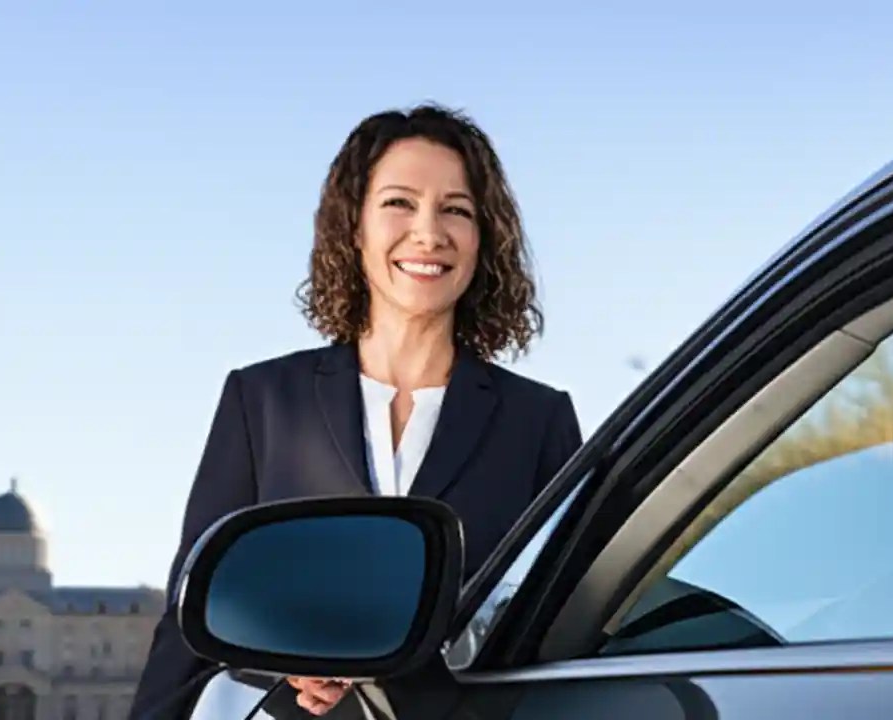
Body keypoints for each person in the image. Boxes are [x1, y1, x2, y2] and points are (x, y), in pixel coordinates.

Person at [129, 104, 583, 719]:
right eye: (399, 203)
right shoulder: (262, 401)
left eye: (456, 209)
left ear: (484, 239)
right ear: (354, 228)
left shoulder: (538, 420)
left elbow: (566, 620)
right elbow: (198, 607)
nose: (429, 233)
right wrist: (283, 659)